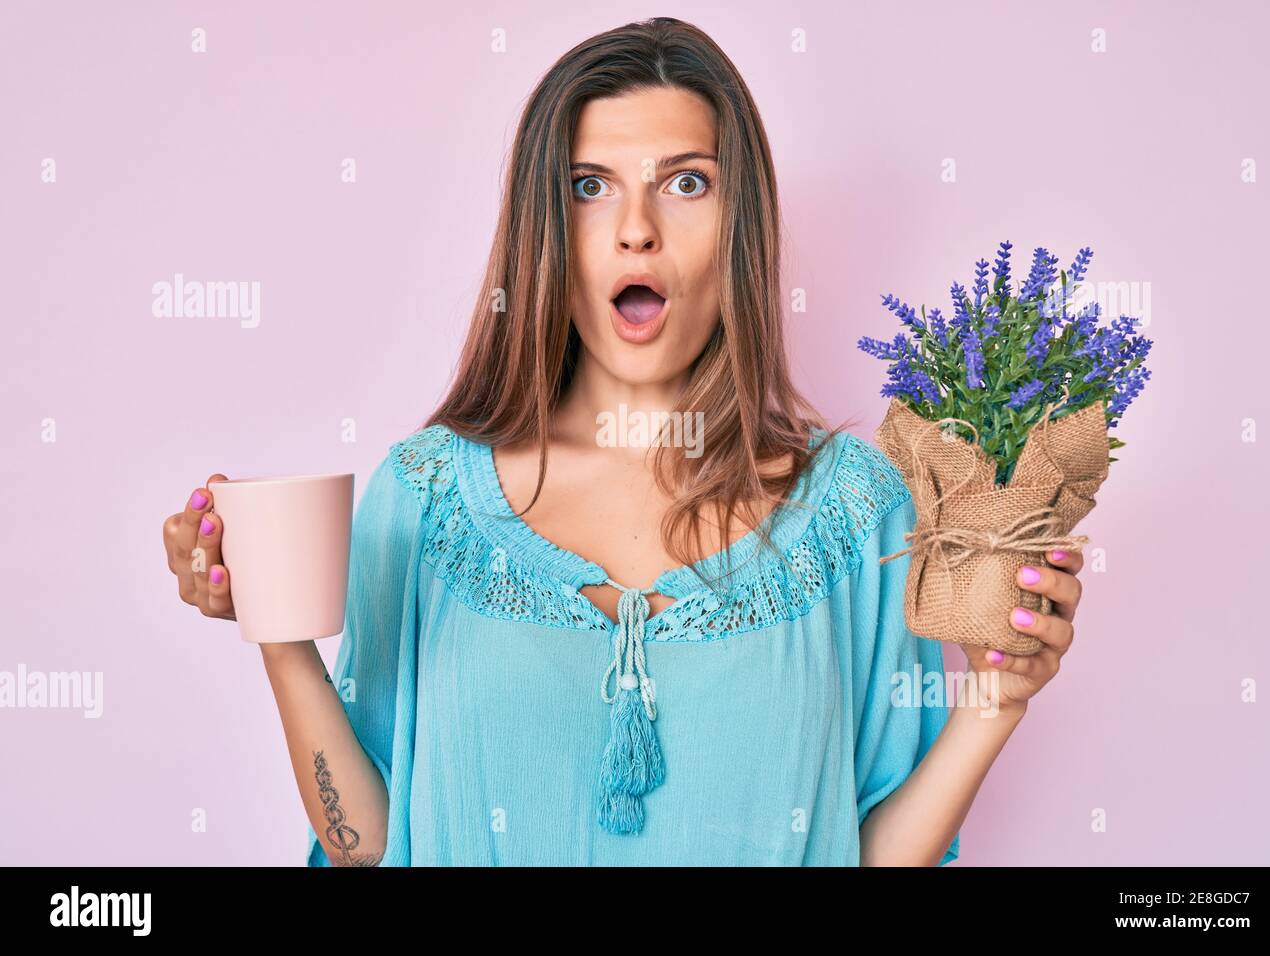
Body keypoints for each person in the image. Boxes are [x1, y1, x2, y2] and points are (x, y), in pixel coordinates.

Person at [161, 16, 1084, 866]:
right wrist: (277, 636)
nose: (637, 230)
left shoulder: (856, 511)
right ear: (544, 230)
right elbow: (363, 841)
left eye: (687, 183)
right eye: (588, 187)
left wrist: (996, 701)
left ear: (741, 229)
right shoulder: (423, 499)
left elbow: (875, 851)